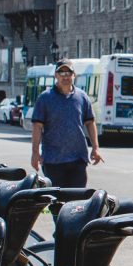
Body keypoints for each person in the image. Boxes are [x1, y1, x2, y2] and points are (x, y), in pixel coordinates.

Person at [30, 59, 105, 188]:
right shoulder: (45, 98)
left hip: (78, 159)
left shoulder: (82, 97)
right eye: (61, 73)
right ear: (56, 76)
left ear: (74, 75)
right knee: (57, 201)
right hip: (53, 160)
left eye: (68, 73)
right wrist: (35, 153)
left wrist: (95, 148)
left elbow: (90, 122)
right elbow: (37, 126)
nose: (65, 77)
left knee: (77, 201)